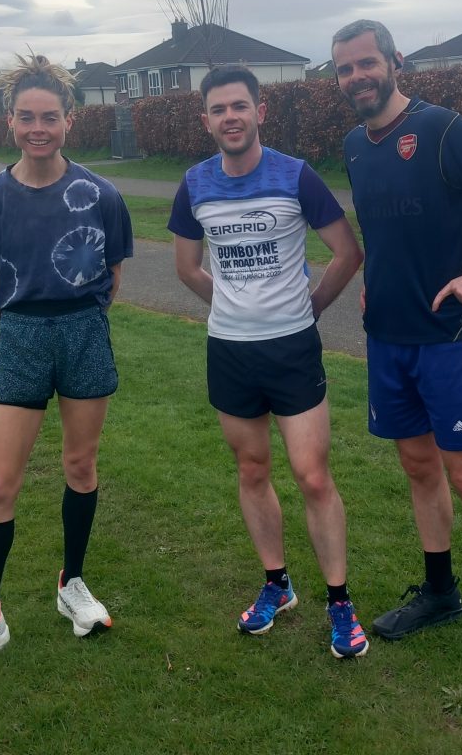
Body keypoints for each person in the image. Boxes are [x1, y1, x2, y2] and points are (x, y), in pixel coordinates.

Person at [331, 19, 462, 683]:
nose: (357, 77)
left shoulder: (441, 128)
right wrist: (373, 284)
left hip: (448, 339)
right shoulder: (354, 145)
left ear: (395, 61)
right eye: (344, 69)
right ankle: (440, 592)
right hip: (386, 338)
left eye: (366, 63)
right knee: (418, 468)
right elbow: (382, 228)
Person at [0, 53, 133, 680]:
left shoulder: (102, 195)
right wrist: (32, 322)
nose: (38, 128)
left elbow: (111, 277)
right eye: (27, 117)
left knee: (81, 465)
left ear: (70, 120)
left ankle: (72, 583)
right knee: (0, 484)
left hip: (84, 334)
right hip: (20, 336)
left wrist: (75, 320)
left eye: (50, 117)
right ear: (10, 121)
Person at [168, 63, 369, 659]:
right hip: (230, 352)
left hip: (291, 349)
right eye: (218, 109)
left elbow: (347, 252)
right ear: (205, 120)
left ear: (260, 111)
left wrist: (310, 306)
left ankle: (340, 602)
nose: (230, 117)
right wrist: (234, 308)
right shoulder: (194, 183)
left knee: (312, 475)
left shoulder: (295, 175)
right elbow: (186, 268)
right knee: (252, 470)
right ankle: (277, 585)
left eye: (239, 106)